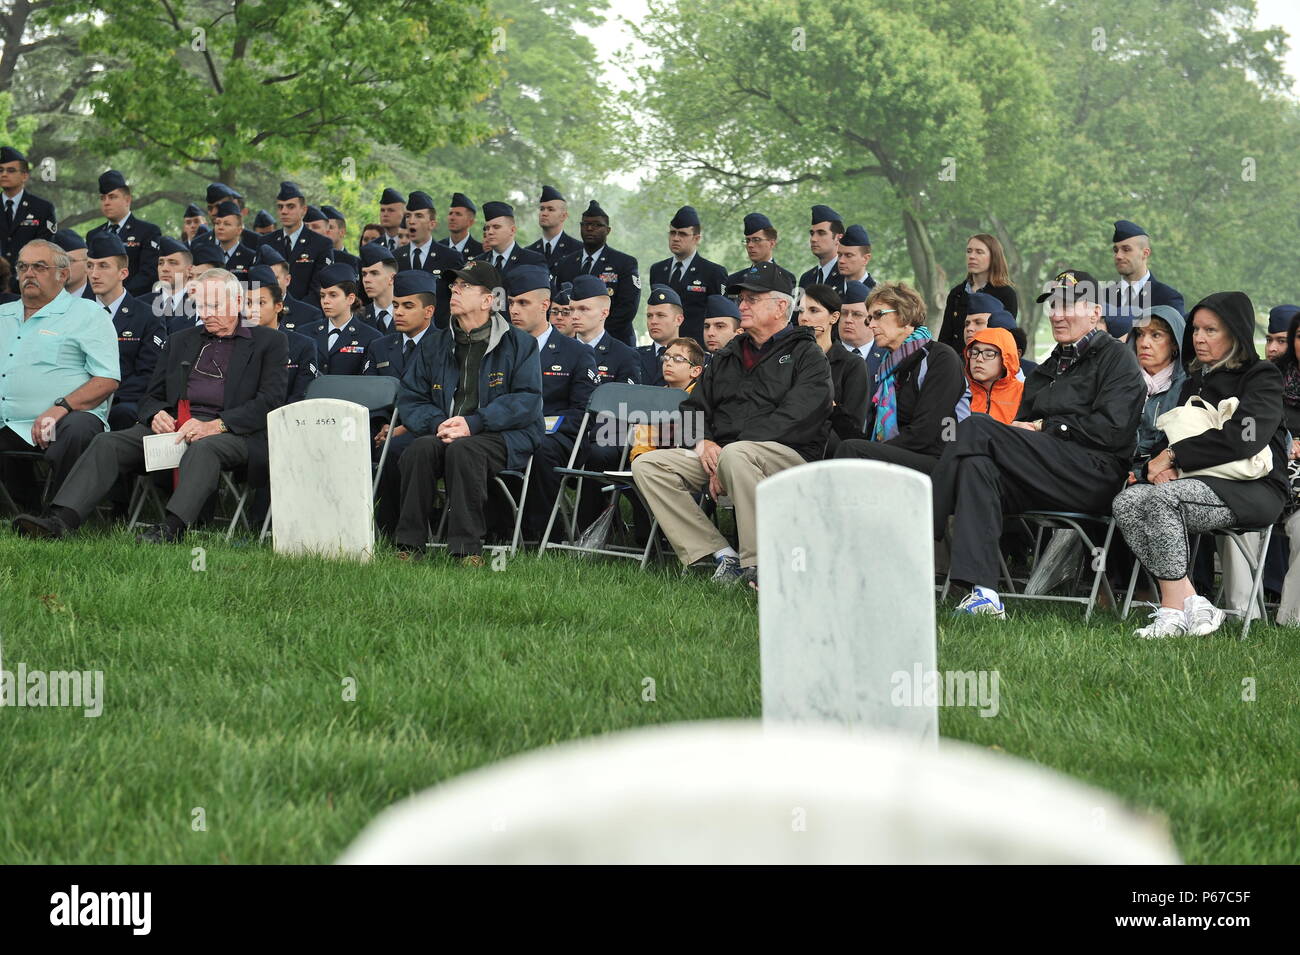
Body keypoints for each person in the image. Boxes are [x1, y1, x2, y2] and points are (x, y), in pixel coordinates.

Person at [13, 268, 288, 543]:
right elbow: (151, 396)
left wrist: (216, 425)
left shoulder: (269, 342)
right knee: (108, 443)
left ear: (238, 303)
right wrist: (155, 414)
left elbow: (269, 401)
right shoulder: (181, 340)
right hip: (175, 426)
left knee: (205, 447)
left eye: (214, 305)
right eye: (201, 305)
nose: (206, 313)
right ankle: (60, 521)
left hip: (233, 432)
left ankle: (171, 529)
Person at [931, 269, 1145, 618]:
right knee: (976, 466)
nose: (1058, 314)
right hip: (1045, 471)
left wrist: (1050, 426)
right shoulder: (1048, 368)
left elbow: (1113, 430)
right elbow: (1022, 425)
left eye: (1068, 306)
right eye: (1053, 305)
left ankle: (921, 531)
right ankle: (985, 594)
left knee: (975, 427)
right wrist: (1029, 432)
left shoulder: (1116, 359)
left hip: (1095, 474)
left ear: (1094, 312)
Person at [632, 262, 832, 587]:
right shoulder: (727, 356)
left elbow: (798, 417)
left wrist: (725, 455)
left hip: (787, 458)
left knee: (737, 454)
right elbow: (694, 409)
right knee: (649, 465)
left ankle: (760, 565)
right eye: (741, 299)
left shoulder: (806, 355)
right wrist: (704, 443)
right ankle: (722, 554)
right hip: (725, 457)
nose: (742, 306)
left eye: (752, 299)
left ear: (781, 306)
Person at [1113, 291, 1287, 638]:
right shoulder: (1195, 382)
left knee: (1164, 501)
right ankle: (1189, 604)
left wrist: (1175, 458)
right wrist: (1153, 467)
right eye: (1195, 329)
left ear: (1235, 332)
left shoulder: (1261, 376)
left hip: (1254, 488)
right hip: (1193, 480)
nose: (1199, 338)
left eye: (1211, 330)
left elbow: (1246, 436)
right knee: (1127, 502)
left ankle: (1172, 609)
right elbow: (1169, 437)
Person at [393, 260, 543, 564]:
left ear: (488, 300)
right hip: (445, 430)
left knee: (464, 451)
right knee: (418, 450)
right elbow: (411, 398)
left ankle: (466, 549)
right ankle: (409, 545)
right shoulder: (435, 343)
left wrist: (473, 422)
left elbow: (526, 400)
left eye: (465, 287)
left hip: (503, 435)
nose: (454, 292)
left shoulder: (520, 344)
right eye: (453, 286)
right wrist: (439, 423)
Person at [0, 239, 119, 509]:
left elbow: (107, 379)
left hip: (58, 423)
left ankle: (61, 512)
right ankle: (23, 505)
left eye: (39, 267)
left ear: (62, 274)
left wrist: (60, 408)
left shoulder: (88, 314)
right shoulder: (2, 315)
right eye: (23, 267)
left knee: (79, 427)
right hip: (6, 420)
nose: (29, 273)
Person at [501, 264, 598, 541]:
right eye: (511, 303)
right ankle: (498, 527)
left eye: (522, 302)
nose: (514, 310)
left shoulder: (576, 353)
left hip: (558, 437)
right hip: (508, 431)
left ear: (545, 305)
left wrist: (536, 424)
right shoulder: (500, 349)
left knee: (539, 449)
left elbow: (583, 412)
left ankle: (541, 535)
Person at [835, 282, 963, 473]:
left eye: (878, 315)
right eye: (869, 319)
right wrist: (833, 412)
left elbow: (925, 433)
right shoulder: (888, 367)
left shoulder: (940, 357)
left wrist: (873, 452)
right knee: (838, 445)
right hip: (900, 455)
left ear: (905, 316)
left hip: (938, 462)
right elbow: (871, 437)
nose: (871, 325)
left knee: (852, 451)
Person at [364, 270, 438, 538]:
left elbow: (439, 401)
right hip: (381, 429)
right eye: (396, 305)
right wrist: (382, 425)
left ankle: (389, 531)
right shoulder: (380, 346)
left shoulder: (444, 346)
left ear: (428, 311)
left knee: (395, 450)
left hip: (421, 430)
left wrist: (401, 429)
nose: (399, 312)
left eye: (408, 306)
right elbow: (370, 393)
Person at [86, 233, 166, 431]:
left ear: (123, 273)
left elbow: (149, 373)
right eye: (90, 266)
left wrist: (104, 394)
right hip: (78, 399)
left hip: (122, 401)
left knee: (125, 414)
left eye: (103, 266)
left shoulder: (147, 315)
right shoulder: (76, 313)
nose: (94, 274)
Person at [552, 200, 641, 346]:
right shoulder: (565, 263)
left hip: (614, 340)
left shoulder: (624, 263)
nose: (590, 228)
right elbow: (559, 301)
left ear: (608, 230)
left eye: (597, 225)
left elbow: (627, 307)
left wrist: (594, 332)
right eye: (585, 224)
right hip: (572, 341)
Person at [796, 283, 867, 455]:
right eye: (800, 311)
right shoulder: (788, 358)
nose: (804, 317)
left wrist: (828, 405)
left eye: (813, 310)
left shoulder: (852, 365)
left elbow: (853, 430)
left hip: (826, 453)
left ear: (834, 318)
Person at [648, 206, 728, 345]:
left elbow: (719, 316)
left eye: (683, 234)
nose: (676, 238)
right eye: (672, 233)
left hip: (697, 347)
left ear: (696, 238)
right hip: (664, 347)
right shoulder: (658, 270)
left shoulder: (713, 272)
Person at [1126, 305, 1187, 482]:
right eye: (1140, 334)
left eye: (1156, 335)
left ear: (1175, 342)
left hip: (1160, 473)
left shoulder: (1187, 386)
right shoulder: (1120, 380)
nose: (1144, 343)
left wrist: (1142, 474)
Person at [247, 264, 318, 405]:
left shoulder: (302, 346)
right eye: (248, 303)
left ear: (278, 306)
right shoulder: (238, 342)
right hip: (244, 422)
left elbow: (302, 394)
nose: (252, 310)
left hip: (287, 420)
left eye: (261, 303)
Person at [85, 170, 161, 298]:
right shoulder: (93, 235)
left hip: (134, 302)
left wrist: (118, 296)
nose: (106, 202)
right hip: (99, 305)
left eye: (112, 197)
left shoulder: (148, 231)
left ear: (127, 200)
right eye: (103, 198)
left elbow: (149, 274)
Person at [938, 233, 1018, 352]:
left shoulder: (1005, 294)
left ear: (994, 257)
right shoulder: (956, 293)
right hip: (956, 364)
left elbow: (1007, 337)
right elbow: (945, 337)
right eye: (969, 251)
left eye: (979, 252)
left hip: (988, 361)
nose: (971, 256)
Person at [629, 337, 705, 462]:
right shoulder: (654, 398)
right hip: (653, 462)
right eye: (666, 357)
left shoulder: (702, 398)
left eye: (678, 359)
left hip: (688, 461)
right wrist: (640, 458)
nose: (668, 363)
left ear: (695, 371)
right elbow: (643, 441)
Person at [396, 190, 465, 327]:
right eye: (408, 216)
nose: (411, 221)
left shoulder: (450, 257)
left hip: (439, 332)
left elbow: (459, 297)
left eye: (419, 216)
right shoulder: (395, 257)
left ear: (432, 224)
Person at [261, 181, 334, 305]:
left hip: (307, 315)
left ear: (303, 210)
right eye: (280, 207)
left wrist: (296, 312)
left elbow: (320, 287)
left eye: (290, 206)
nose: (284, 211)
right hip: (270, 313)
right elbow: (258, 280)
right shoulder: (266, 242)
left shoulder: (321, 243)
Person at [305, 263, 379, 375]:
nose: (325, 301)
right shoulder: (306, 333)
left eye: (333, 295)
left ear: (350, 299)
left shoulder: (371, 338)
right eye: (322, 295)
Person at [0, 146, 57, 291]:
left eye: (11, 170)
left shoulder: (42, 209)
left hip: (30, 284)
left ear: (25, 175)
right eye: (1, 170)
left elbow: (46, 248)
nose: (4, 174)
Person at [1107, 219, 1185, 319]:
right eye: (1115, 250)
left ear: (1145, 253)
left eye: (1126, 249)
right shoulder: (1104, 297)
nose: (1118, 256)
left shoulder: (1167, 298)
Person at [954, 327, 1023, 426]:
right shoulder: (959, 392)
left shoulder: (1024, 394)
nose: (979, 359)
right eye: (974, 352)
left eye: (989, 354)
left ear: (1005, 359)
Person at [255, 244, 322, 336]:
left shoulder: (309, 315)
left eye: (274, 278)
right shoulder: (243, 315)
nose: (267, 283)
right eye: (261, 279)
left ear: (287, 280)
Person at [728, 212, 796, 290]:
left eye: (756, 240)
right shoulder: (734, 280)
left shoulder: (786, 278)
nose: (750, 245)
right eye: (747, 240)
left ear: (772, 243)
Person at [637, 285, 686, 386]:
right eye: (649, 316)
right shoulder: (633, 356)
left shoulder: (695, 358)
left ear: (678, 320)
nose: (653, 321)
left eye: (660, 315)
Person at [837, 280, 884, 384]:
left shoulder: (888, 356)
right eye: (844, 313)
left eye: (857, 314)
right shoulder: (824, 354)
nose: (848, 320)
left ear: (872, 319)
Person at [527, 185, 582, 266]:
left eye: (550, 209)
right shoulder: (529, 252)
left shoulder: (579, 250)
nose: (544, 213)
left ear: (563, 216)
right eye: (542, 209)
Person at [145, 237, 194, 325]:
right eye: (161, 263)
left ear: (189, 271)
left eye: (172, 263)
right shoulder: (142, 304)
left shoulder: (200, 304)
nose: (164, 269)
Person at [798, 205, 846, 294]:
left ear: (838, 238)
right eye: (812, 233)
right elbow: (799, 308)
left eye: (821, 233)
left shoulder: (847, 276)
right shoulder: (806, 278)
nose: (813, 239)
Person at [208, 200, 256, 278]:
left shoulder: (250, 257)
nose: (220, 227)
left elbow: (255, 287)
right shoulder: (208, 255)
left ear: (239, 230)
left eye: (227, 224)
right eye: (217, 223)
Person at [357, 242, 398, 332]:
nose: (366, 280)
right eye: (364, 274)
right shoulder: (357, 318)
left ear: (392, 278)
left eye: (374, 273)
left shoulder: (410, 316)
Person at [52, 229, 94, 300]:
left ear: (88, 265)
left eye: (69, 261)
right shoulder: (38, 300)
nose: (60, 267)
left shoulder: (102, 299)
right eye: (54, 262)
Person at [835, 225, 876, 290]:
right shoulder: (834, 293)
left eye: (848, 255)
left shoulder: (878, 296)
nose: (841, 261)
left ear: (865, 259)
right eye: (839, 255)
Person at [321, 205, 359, 272]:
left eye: (330, 227)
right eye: (323, 227)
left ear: (342, 232)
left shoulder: (353, 262)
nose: (325, 231)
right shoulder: (313, 259)